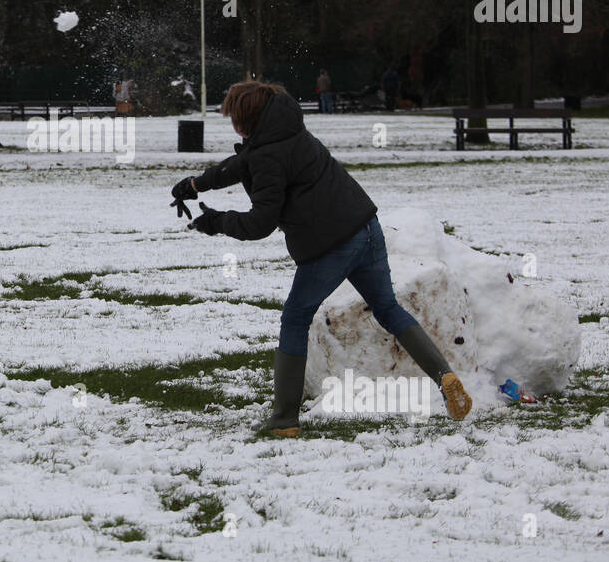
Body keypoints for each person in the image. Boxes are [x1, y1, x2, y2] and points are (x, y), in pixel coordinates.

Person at [170, 81, 471, 436]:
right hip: (367, 227)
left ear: (245, 119)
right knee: (388, 308)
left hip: (329, 245)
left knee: (295, 319)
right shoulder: (291, 131)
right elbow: (243, 163)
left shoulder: (267, 155)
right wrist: (196, 184)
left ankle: (283, 420)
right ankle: (445, 375)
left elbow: (260, 223)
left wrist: (216, 221)